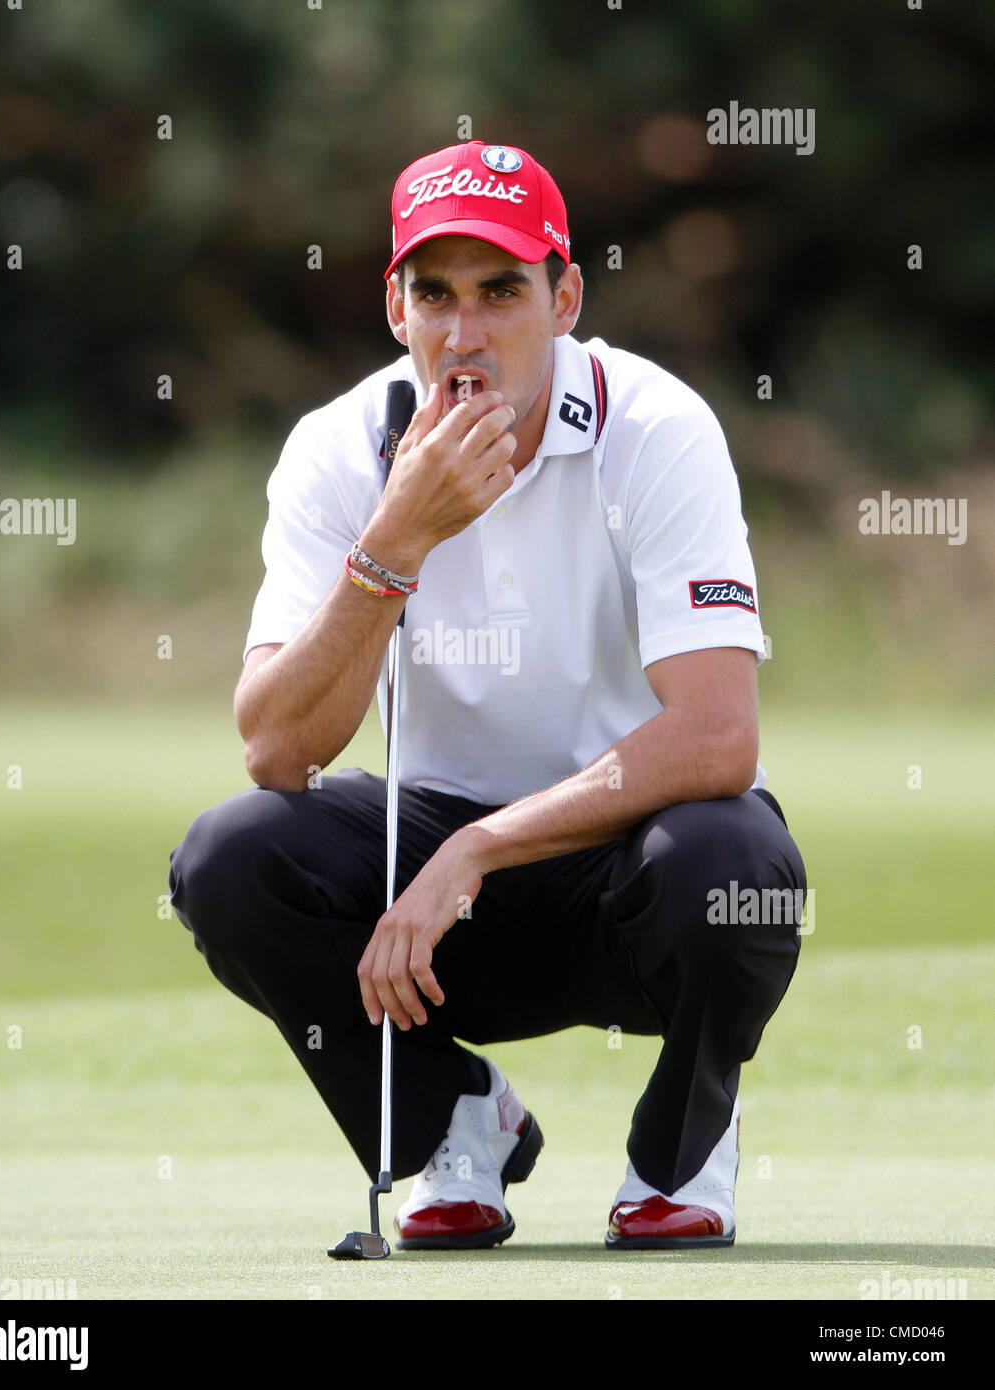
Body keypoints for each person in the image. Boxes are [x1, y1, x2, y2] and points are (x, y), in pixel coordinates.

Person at [168, 140, 807, 1251]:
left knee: (729, 868)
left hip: (629, 868)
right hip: (432, 909)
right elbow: (275, 746)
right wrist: (393, 541)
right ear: (393, 306)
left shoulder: (655, 429)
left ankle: (681, 1146)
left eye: (501, 290)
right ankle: (454, 1122)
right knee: (228, 859)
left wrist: (472, 854)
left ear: (562, 298)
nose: (463, 332)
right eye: (434, 293)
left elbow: (716, 737)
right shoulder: (336, 451)